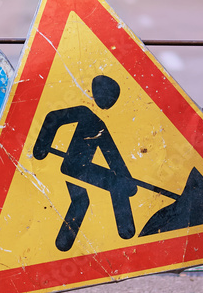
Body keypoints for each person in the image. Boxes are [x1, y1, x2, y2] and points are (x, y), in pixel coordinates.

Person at [32, 75, 138, 251]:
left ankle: (63, 245)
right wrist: (40, 146)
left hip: (81, 168)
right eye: (107, 97)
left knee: (84, 200)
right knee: (103, 190)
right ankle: (125, 230)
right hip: (73, 166)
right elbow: (53, 117)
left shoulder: (99, 123)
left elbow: (112, 155)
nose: (108, 102)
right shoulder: (83, 112)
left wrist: (128, 179)